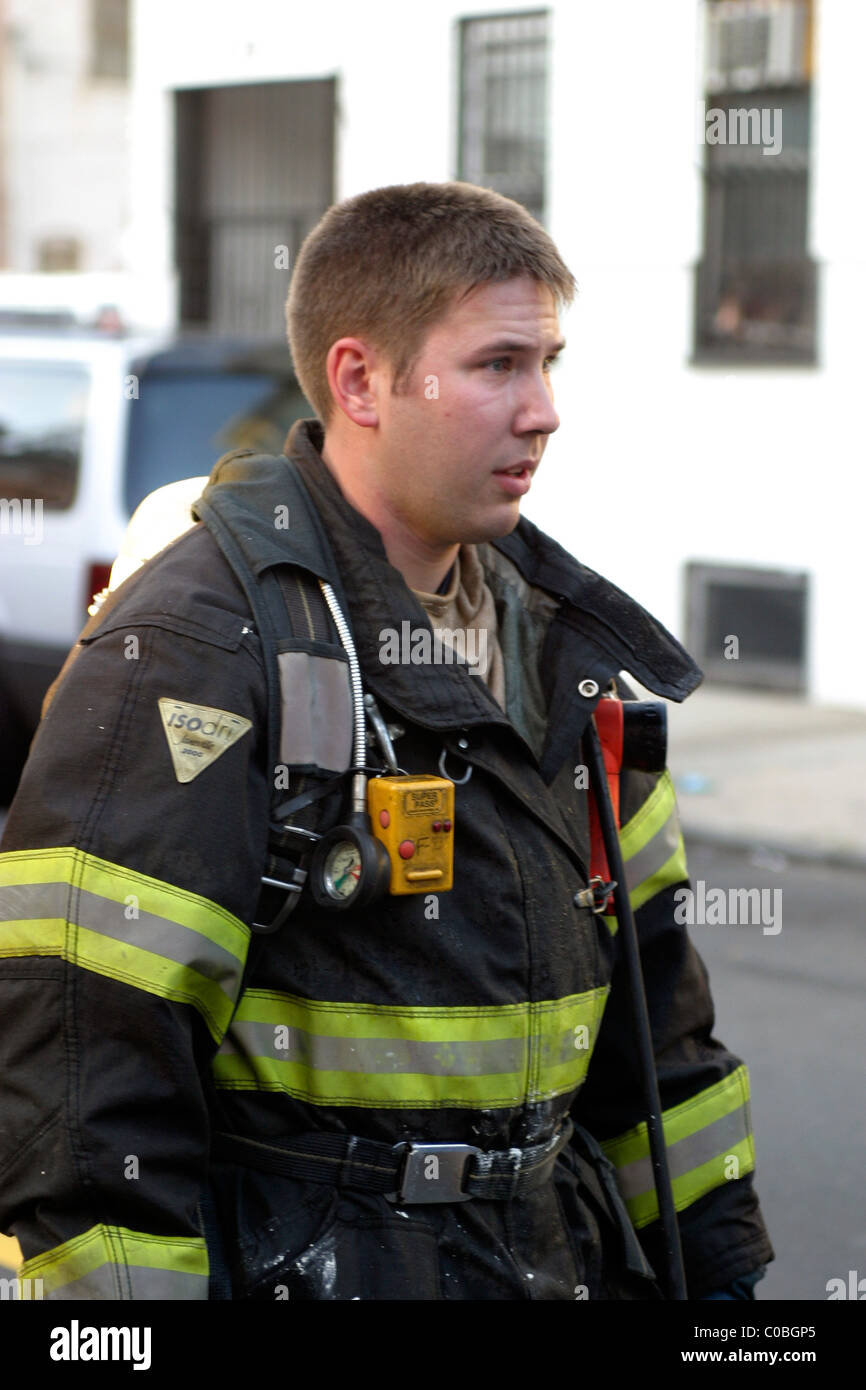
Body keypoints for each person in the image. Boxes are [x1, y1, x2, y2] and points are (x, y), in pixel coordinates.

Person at [0, 181, 773, 1301]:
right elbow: (85, 1087)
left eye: (548, 361)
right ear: (361, 379)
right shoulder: (192, 651)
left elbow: (663, 1047)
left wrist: (729, 1289)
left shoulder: (568, 657)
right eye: (498, 365)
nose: (544, 407)